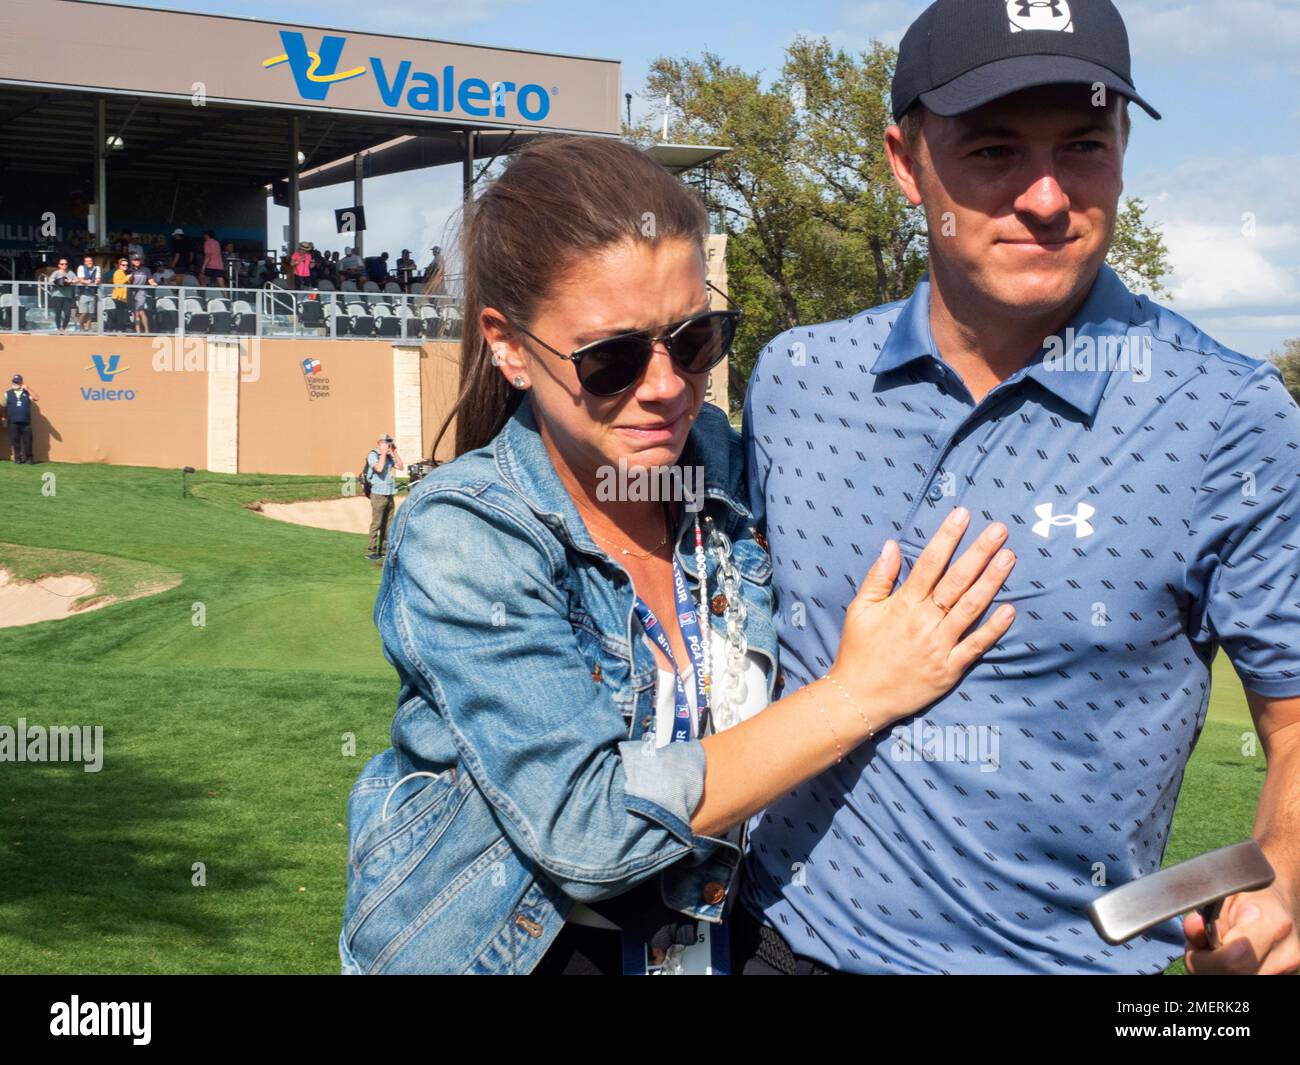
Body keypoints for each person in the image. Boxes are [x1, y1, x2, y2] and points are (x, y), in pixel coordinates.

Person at [338, 135, 1017, 975]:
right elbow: (590, 827)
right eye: (611, 357)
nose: (664, 386)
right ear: (509, 346)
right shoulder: (466, 531)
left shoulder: (722, 467)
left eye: (693, 340)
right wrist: (858, 694)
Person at [734, 0, 1300, 977]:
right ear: (904, 163)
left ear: (1123, 145)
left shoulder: (1228, 414)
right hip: (780, 950)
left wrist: (1282, 878)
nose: (1046, 197)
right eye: (993, 152)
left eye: (1082, 145)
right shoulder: (795, 379)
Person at [364, 434, 404, 560]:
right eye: (386, 443)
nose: (388, 445)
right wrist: (382, 453)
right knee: (377, 523)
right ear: (379, 443)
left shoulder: (388, 455)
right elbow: (379, 468)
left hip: (389, 493)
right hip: (378, 494)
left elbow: (401, 467)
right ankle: (372, 549)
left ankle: (384, 550)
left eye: (389, 442)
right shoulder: (373, 455)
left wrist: (394, 451)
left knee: (388, 524)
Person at [1, 374, 38, 464]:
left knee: (28, 441)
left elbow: (36, 398)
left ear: (21, 383)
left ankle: (29, 458)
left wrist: (28, 389)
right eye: (14, 382)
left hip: (25, 422)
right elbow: (3, 406)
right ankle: (18, 458)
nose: (15, 383)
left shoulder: (27, 392)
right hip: (13, 422)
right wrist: (3, 418)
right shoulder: (7, 393)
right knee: (15, 441)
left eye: (17, 382)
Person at [127, 254, 157, 333]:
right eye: (135, 260)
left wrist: (153, 283)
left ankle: (147, 331)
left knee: (141, 311)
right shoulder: (129, 269)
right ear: (132, 261)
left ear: (141, 261)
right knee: (135, 312)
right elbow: (127, 281)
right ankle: (138, 332)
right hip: (131, 292)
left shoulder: (146, 269)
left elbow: (150, 280)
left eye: (138, 260)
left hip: (141, 291)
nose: (137, 261)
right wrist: (130, 278)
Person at [47, 257, 76, 331]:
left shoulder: (70, 272)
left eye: (66, 264)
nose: (64, 265)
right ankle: (59, 328)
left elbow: (77, 280)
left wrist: (70, 281)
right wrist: (59, 281)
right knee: (58, 313)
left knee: (67, 314)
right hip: (57, 295)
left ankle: (63, 327)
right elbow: (50, 280)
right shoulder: (56, 272)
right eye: (62, 264)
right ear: (59, 265)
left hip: (67, 296)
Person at [75, 254, 101, 331]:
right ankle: (81, 327)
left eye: (91, 261)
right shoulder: (81, 268)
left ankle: (89, 328)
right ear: (84, 263)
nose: (89, 262)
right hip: (82, 293)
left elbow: (98, 279)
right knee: (83, 313)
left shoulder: (97, 268)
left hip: (92, 293)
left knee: (91, 313)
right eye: (87, 261)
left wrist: (96, 281)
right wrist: (88, 282)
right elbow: (81, 280)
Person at [110, 256, 131, 331]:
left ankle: (120, 329)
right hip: (118, 297)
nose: (125, 266)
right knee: (120, 314)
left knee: (122, 314)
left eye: (126, 265)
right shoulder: (118, 272)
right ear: (119, 265)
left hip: (123, 297)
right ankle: (119, 329)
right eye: (123, 265)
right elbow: (118, 283)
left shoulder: (123, 273)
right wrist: (127, 278)